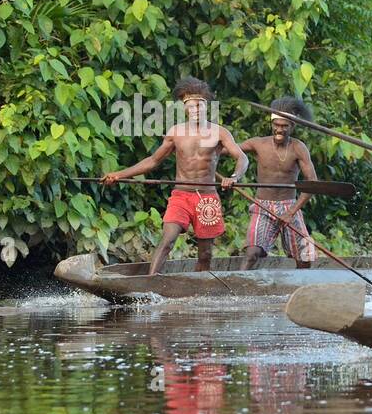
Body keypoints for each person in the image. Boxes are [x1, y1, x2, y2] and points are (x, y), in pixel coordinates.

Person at [102, 77, 248, 274]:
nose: (195, 109)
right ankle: (149, 283)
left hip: (207, 199)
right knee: (168, 240)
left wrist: (234, 176)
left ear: (207, 106)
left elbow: (242, 158)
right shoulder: (175, 132)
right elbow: (153, 161)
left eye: (199, 105)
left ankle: (198, 290)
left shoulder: (220, 133)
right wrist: (119, 174)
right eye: (190, 105)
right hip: (180, 196)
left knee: (205, 255)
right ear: (184, 108)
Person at [239, 97, 319, 270]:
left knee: (304, 258)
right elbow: (227, 150)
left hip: (290, 206)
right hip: (263, 206)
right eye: (277, 125)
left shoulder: (298, 148)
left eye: (285, 126)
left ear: (292, 126)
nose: (279, 129)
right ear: (272, 123)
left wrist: (291, 212)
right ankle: (237, 292)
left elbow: (312, 184)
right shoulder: (258, 143)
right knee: (251, 253)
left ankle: (301, 289)